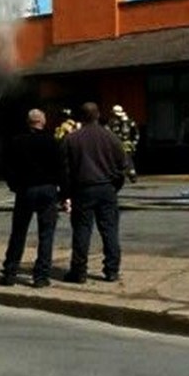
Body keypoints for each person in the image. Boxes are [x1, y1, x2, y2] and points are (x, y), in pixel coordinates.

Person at [61, 102, 127, 284]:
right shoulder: (111, 137)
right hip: (106, 188)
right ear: (98, 115)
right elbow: (123, 165)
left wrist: (65, 194)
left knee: (82, 231)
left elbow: (65, 171)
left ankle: (79, 271)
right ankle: (112, 270)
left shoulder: (71, 139)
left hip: (82, 190)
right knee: (110, 231)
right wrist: (114, 186)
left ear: (80, 117)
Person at [0, 109, 63, 288]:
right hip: (48, 190)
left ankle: (10, 273)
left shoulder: (17, 141)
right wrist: (63, 193)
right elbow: (61, 168)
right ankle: (41, 276)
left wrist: (14, 186)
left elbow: (7, 167)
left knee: (18, 233)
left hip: (25, 190)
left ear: (29, 122)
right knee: (46, 234)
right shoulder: (52, 142)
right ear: (42, 121)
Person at [106, 104, 140, 183]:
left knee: (123, 158)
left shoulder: (113, 122)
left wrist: (134, 142)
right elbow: (136, 133)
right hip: (123, 143)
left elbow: (135, 132)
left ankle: (129, 173)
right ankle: (130, 173)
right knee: (127, 159)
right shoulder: (129, 121)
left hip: (120, 144)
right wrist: (134, 142)